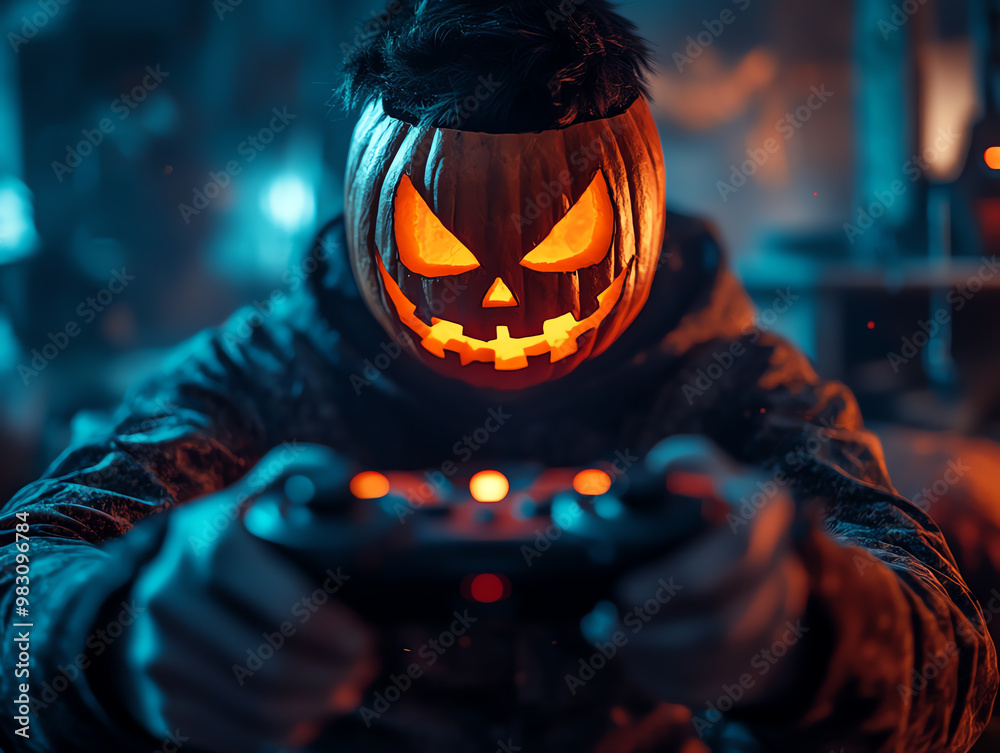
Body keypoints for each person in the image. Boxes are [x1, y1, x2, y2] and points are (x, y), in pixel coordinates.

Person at [0, 2, 995, 751]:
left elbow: (958, 671)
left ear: (634, 205)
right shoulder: (261, 377)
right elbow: (22, 579)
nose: (507, 301)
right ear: (367, 204)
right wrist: (119, 637)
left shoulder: (740, 387)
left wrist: (811, 629)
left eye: (563, 240)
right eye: (439, 246)